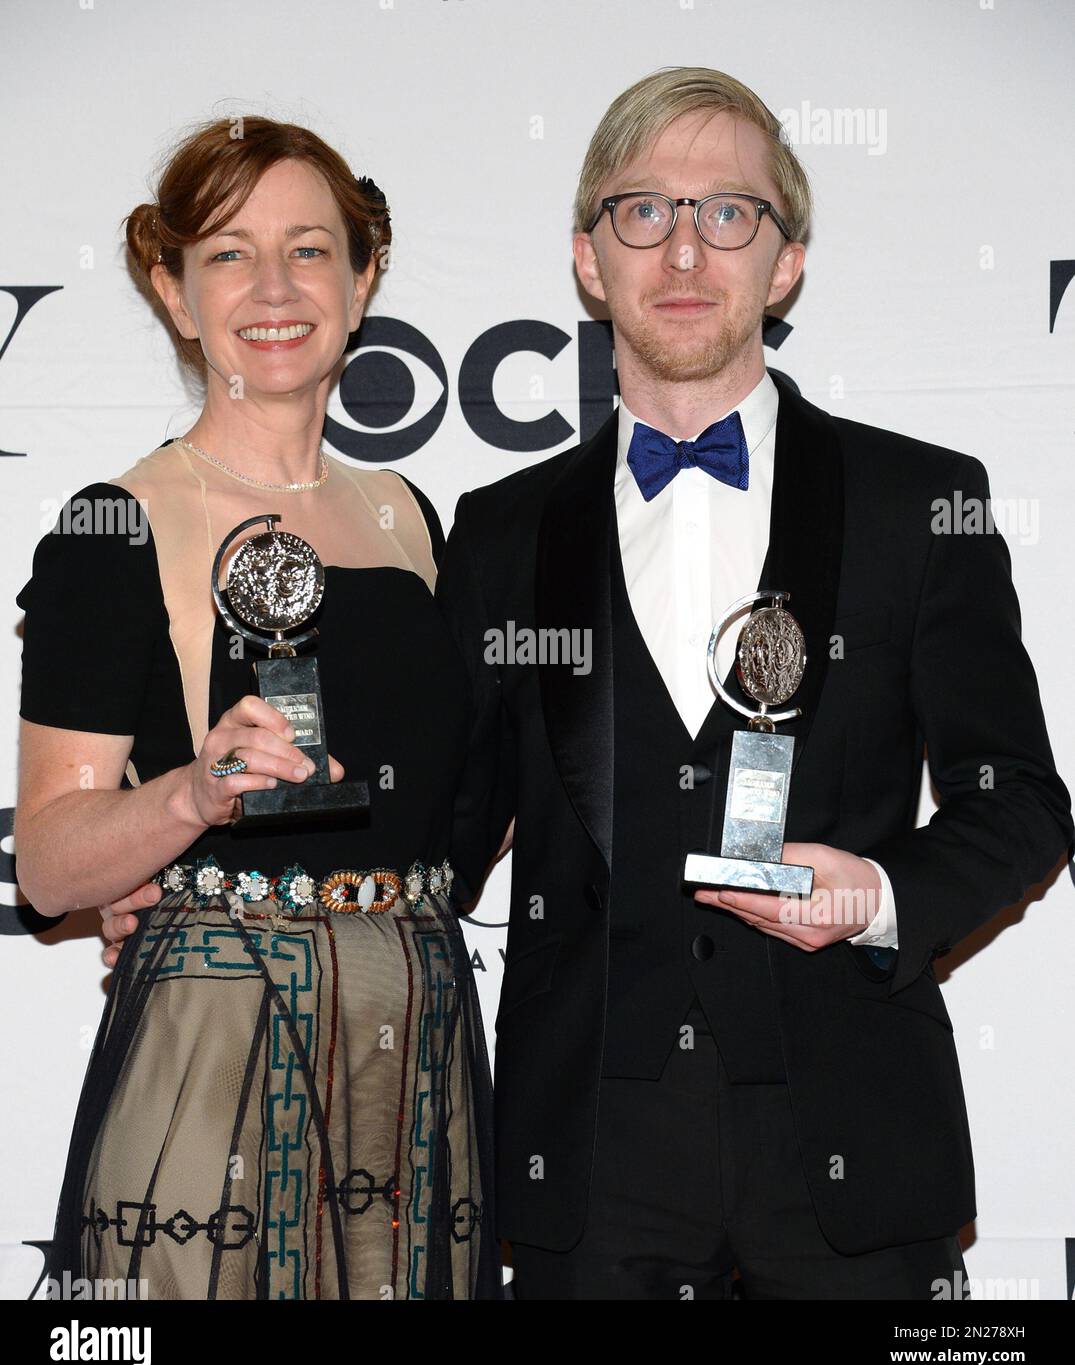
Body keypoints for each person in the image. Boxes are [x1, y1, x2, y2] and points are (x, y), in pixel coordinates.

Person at [430, 68, 1074, 1298]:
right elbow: (442, 837)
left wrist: (882, 893)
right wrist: (232, 911)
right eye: (643, 212)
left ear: (784, 263)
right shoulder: (500, 532)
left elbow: (1019, 802)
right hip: (587, 1170)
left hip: (853, 1159)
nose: (683, 247)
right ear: (587, 258)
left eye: (729, 212)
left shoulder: (915, 504)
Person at [16, 116, 500, 1300]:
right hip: (217, 1047)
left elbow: (459, 812)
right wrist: (188, 795)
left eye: (309, 250)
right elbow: (48, 864)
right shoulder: (115, 525)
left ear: (362, 278)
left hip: (412, 1044)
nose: (274, 289)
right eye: (228, 253)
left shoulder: (412, 520)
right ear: (174, 293)